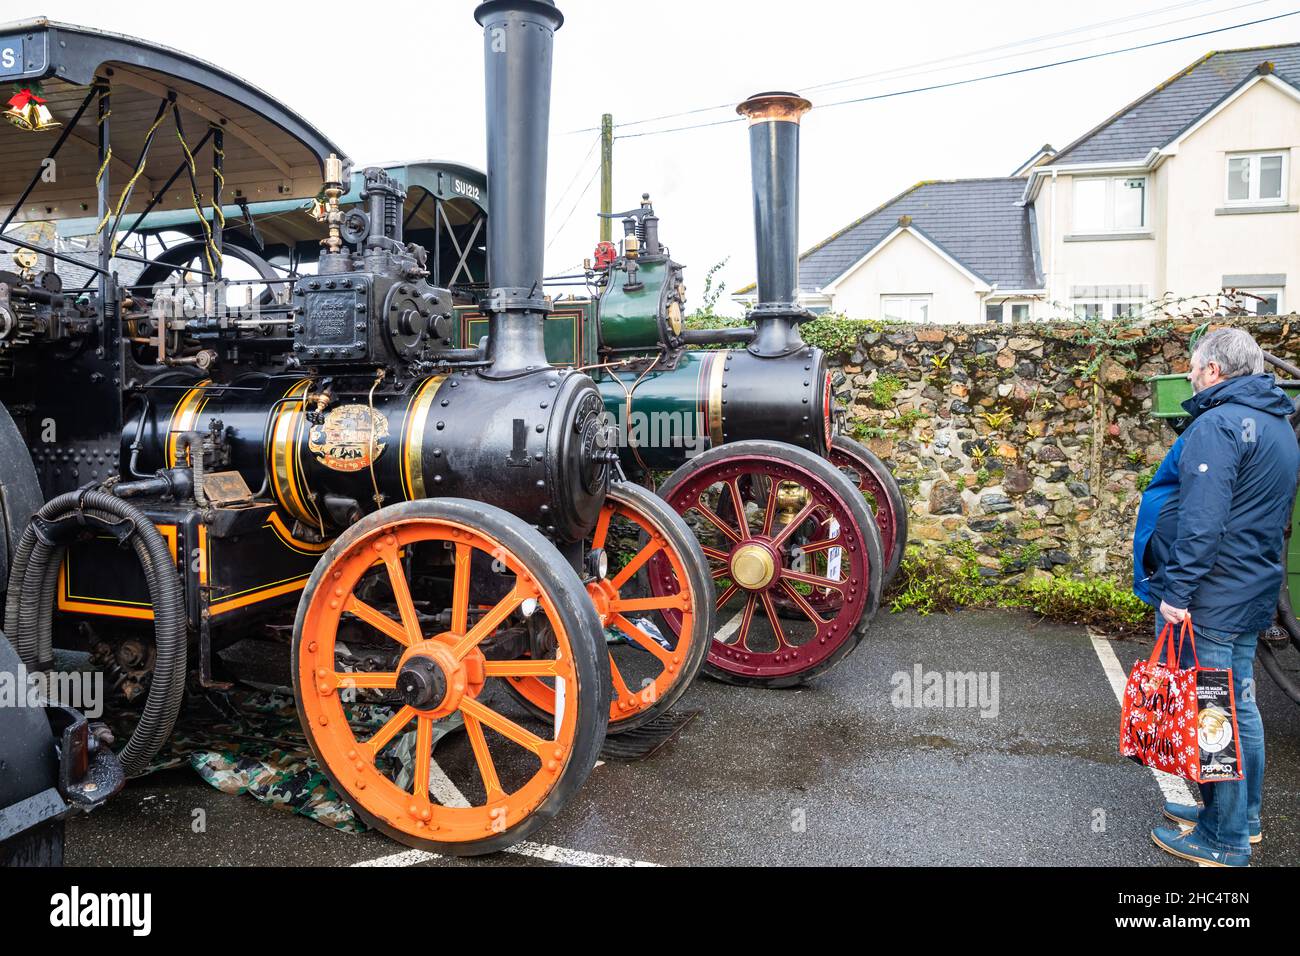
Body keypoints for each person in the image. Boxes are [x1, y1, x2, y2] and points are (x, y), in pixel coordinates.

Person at [1132, 327, 1298, 867]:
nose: (1189, 374)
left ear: (1215, 371)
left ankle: (1222, 841)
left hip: (1213, 598)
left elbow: (1203, 522)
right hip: (1251, 590)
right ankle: (1242, 820)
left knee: (1213, 714)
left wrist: (1176, 591)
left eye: (1194, 366)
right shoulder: (1278, 424)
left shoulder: (1218, 424)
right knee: (1240, 707)